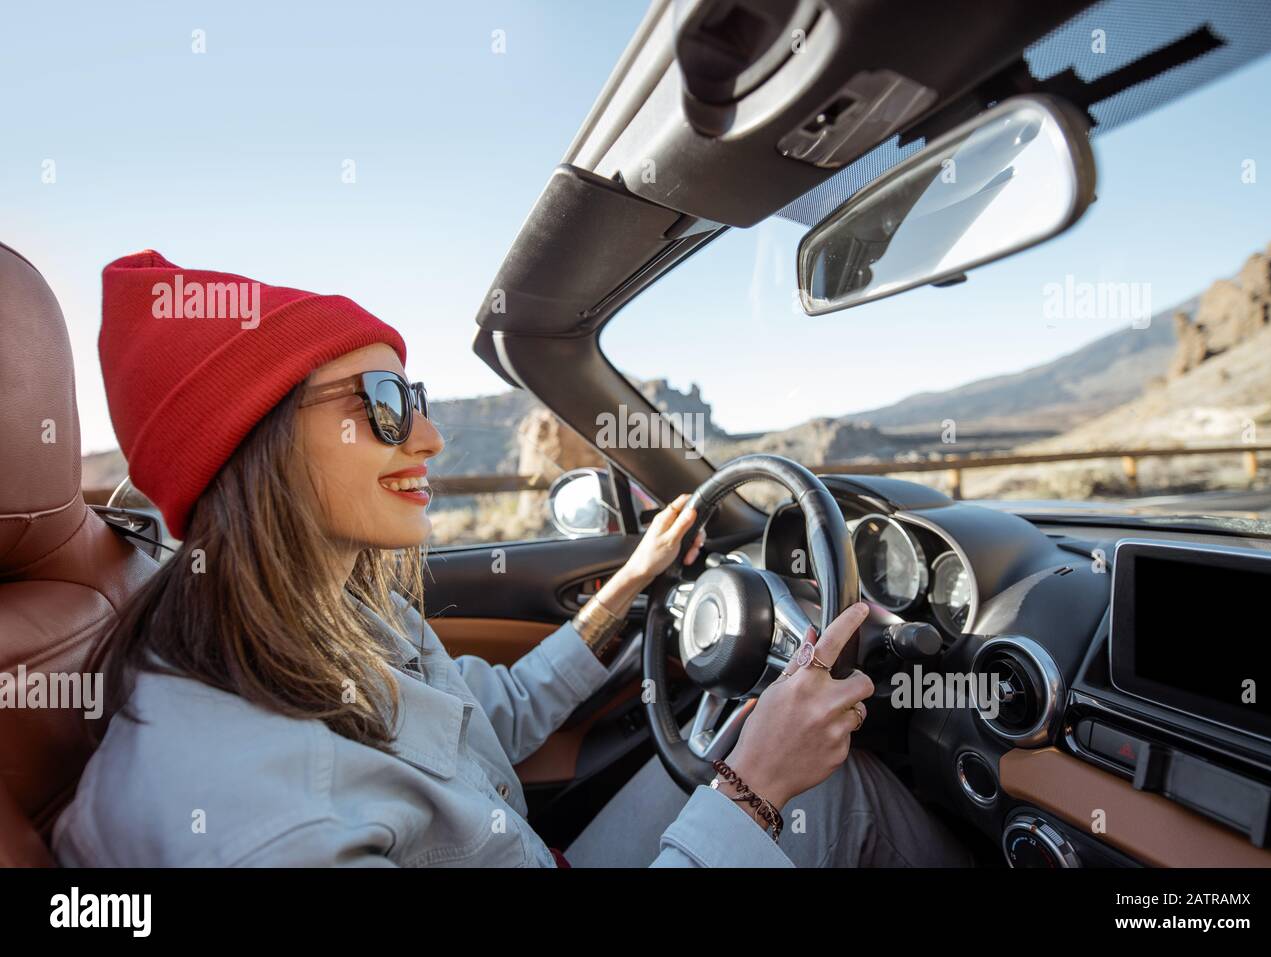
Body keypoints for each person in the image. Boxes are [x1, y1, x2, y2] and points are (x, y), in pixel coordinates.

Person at [53, 251, 971, 867]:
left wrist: (630, 580)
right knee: (831, 790)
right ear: (250, 446)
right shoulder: (267, 824)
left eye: (411, 392)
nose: (430, 435)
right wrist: (754, 786)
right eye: (381, 401)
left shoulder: (327, 611)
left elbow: (492, 715)